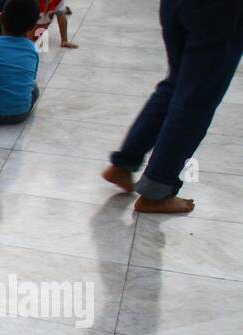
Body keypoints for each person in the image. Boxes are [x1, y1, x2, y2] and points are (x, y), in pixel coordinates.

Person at [102, 0, 243, 214]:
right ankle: (156, 192)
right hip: (219, 11)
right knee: (196, 101)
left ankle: (124, 163)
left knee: (177, 83)